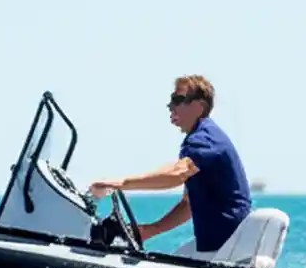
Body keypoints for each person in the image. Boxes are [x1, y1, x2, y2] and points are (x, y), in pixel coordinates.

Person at [87, 75, 252, 256]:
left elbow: (177, 173)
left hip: (225, 247)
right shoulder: (200, 139)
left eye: (178, 100)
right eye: (171, 101)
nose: (170, 106)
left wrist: (118, 183)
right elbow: (188, 205)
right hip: (218, 245)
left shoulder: (205, 138)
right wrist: (150, 230)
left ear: (200, 106)